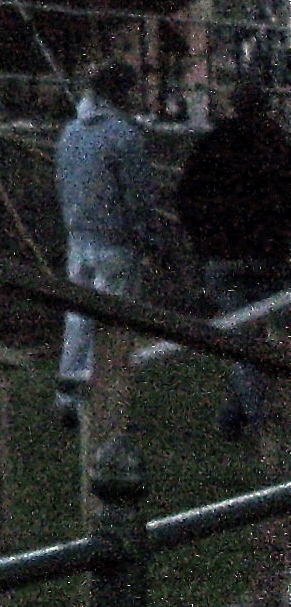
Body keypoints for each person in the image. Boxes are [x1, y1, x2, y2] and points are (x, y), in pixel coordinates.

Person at [176, 76, 291, 440]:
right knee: (262, 340)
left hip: (224, 259)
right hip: (270, 257)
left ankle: (237, 417)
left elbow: (187, 199)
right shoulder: (278, 145)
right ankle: (260, 422)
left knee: (244, 340)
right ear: (266, 108)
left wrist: (202, 244)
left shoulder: (212, 146)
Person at [55, 60, 165, 425]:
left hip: (78, 236)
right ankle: (100, 396)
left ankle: (68, 391)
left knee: (78, 318)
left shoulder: (71, 132)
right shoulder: (123, 135)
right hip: (115, 241)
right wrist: (150, 240)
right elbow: (138, 196)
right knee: (113, 322)